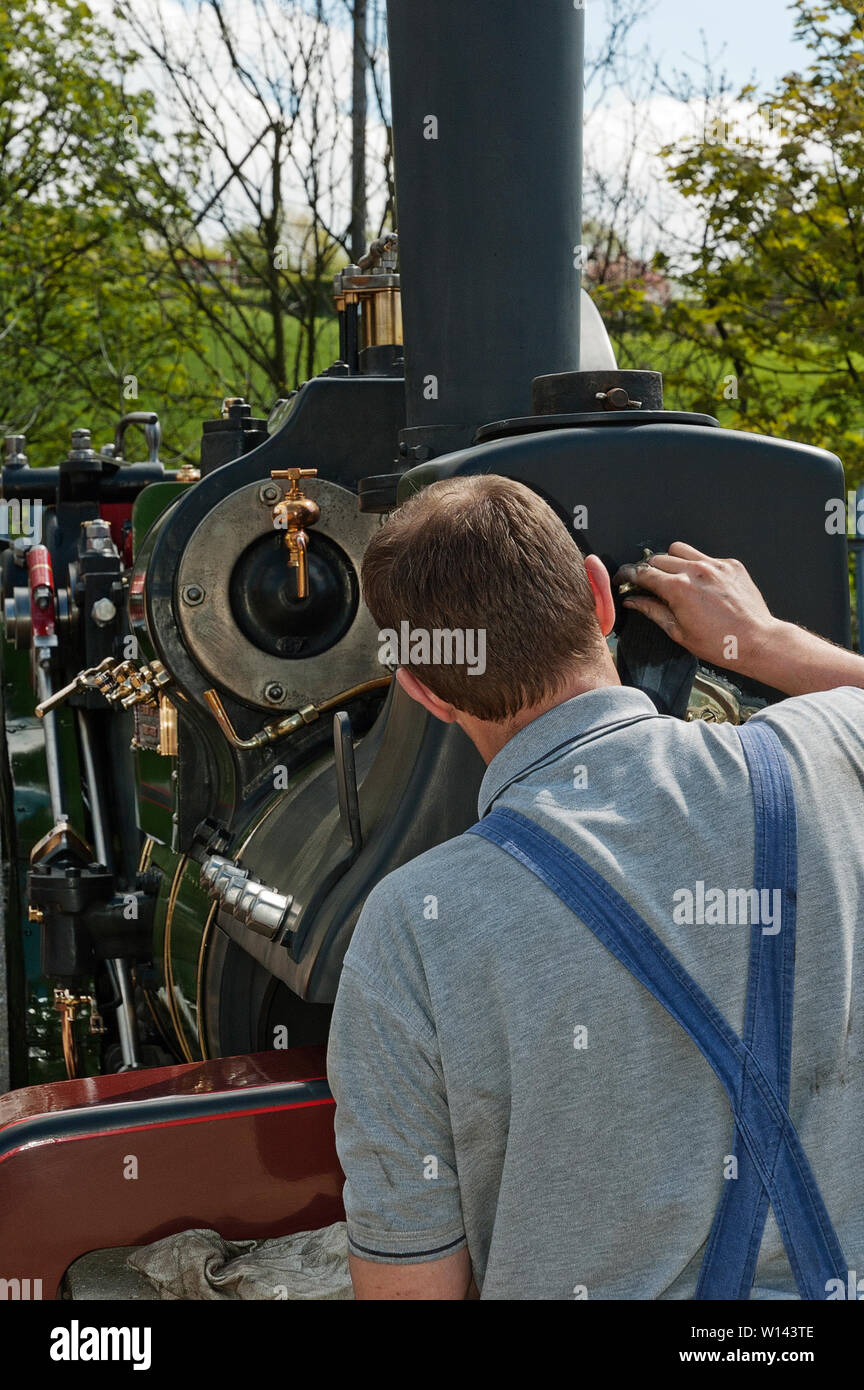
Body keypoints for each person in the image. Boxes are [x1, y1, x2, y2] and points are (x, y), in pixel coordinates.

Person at [326, 474, 864, 1300]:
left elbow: (412, 1291)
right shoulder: (826, 756)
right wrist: (760, 643)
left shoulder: (411, 928)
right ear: (597, 596)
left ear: (423, 689)